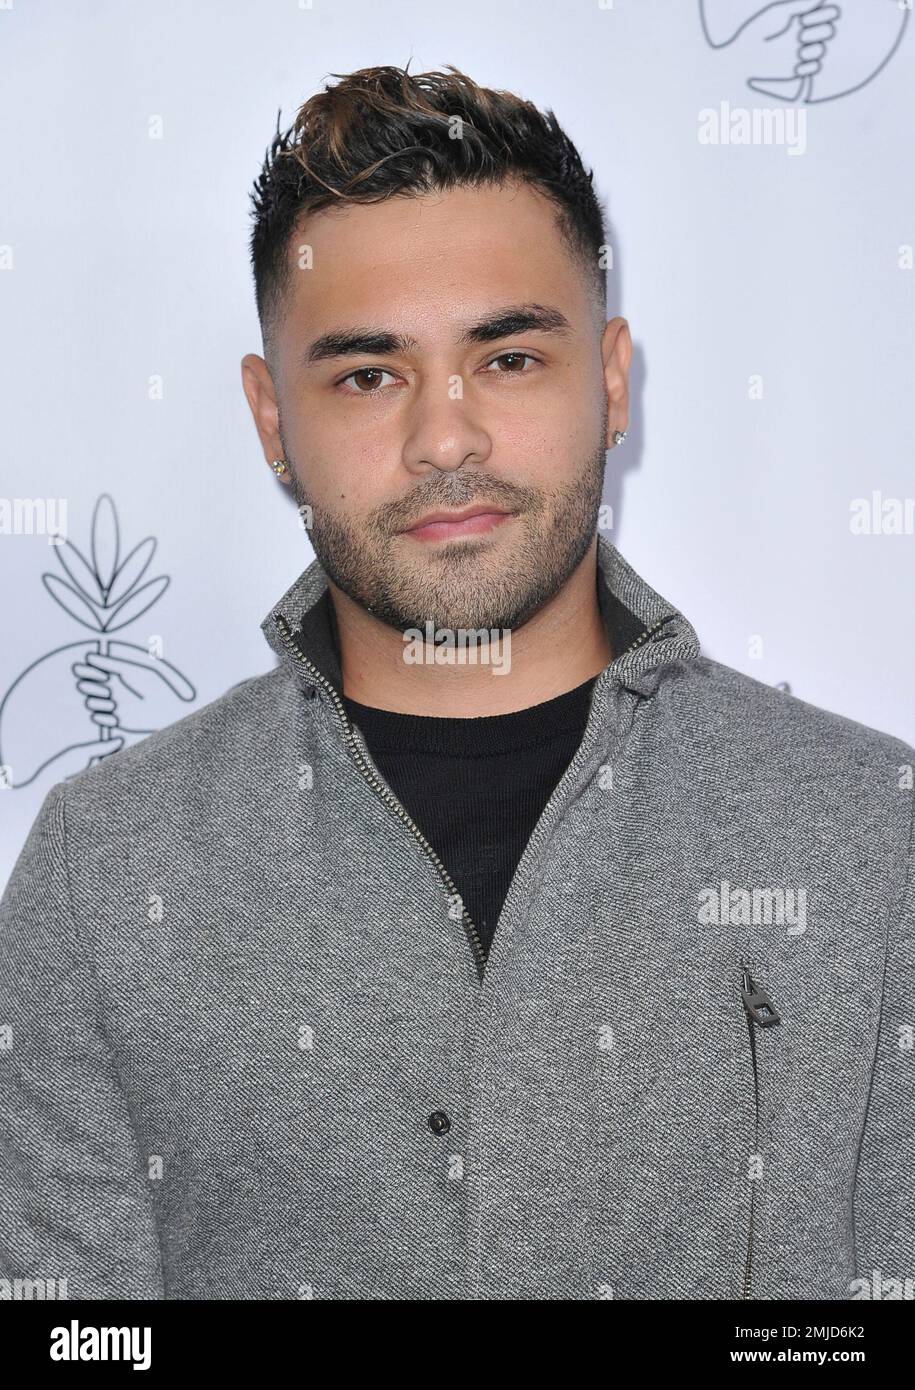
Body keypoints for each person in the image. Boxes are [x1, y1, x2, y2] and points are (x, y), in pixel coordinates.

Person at [1, 64, 912, 1301]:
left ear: (612, 377)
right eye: (369, 375)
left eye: (512, 358)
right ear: (273, 419)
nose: (447, 439)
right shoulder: (102, 872)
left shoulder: (870, 837)